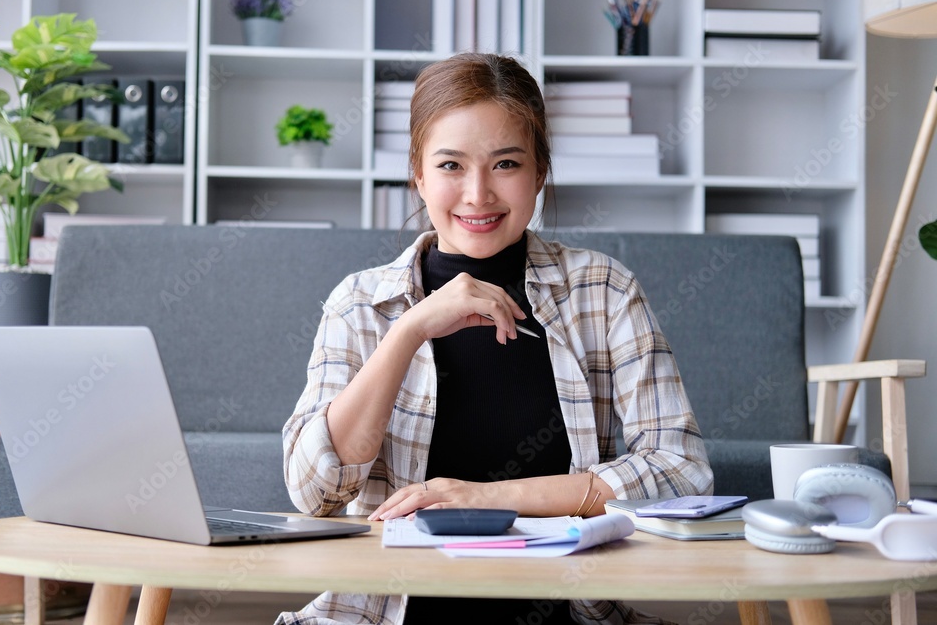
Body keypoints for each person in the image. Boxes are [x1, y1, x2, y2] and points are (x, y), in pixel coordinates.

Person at [279, 53, 713, 625]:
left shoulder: (604, 290)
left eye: (505, 163)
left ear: (539, 173)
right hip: (391, 612)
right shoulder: (360, 304)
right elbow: (315, 493)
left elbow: (682, 473)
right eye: (451, 165)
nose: (478, 194)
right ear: (418, 175)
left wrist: (485, 498)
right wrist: (408, 331)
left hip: (565, 612)